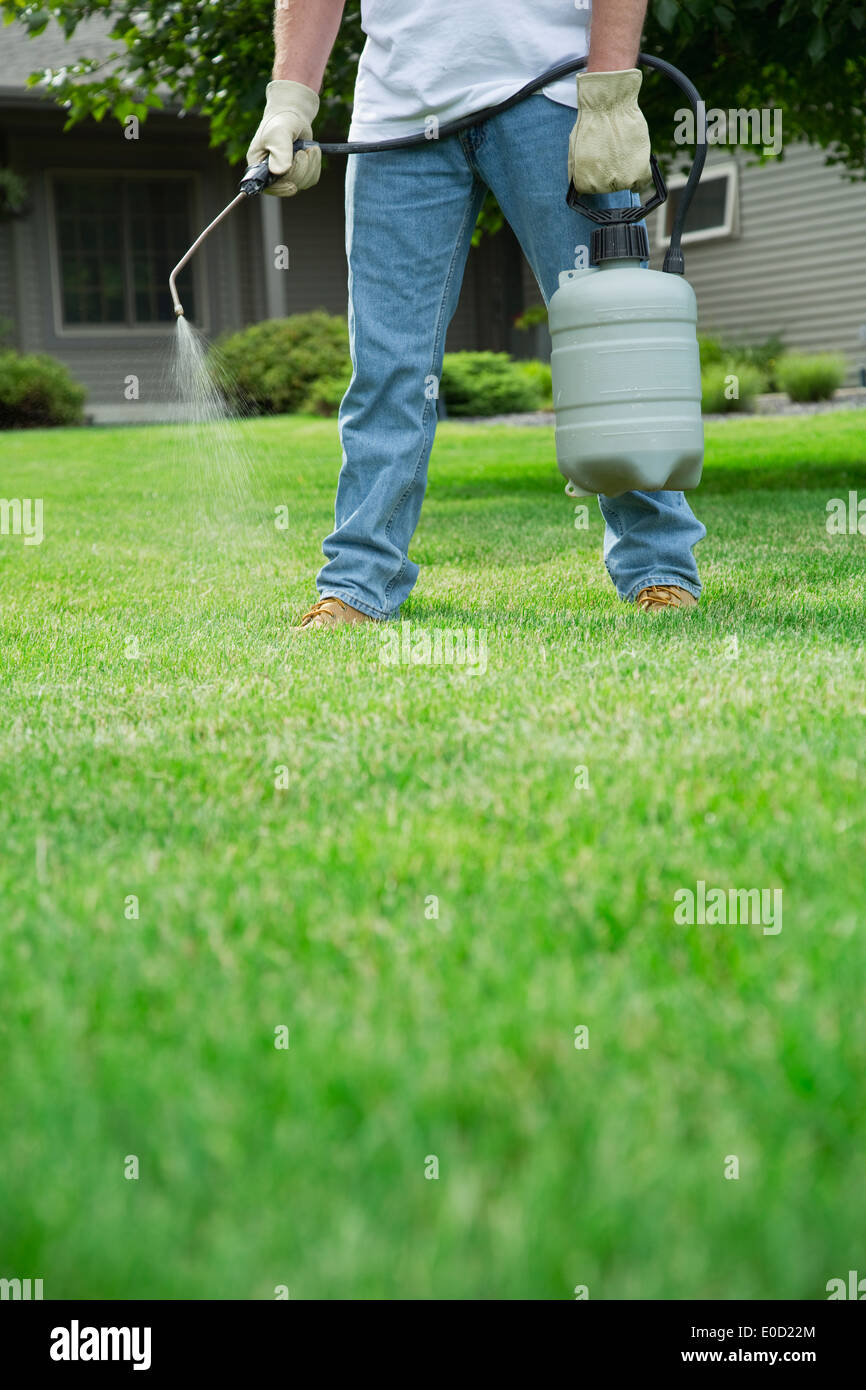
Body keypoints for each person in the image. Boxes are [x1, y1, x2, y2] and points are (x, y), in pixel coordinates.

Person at [246, 0, 706, 627]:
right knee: (386, 364)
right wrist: (290, 100)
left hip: (556, 95)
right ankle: (357, 583)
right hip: (396, 118)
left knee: (613, 338)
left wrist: (610, 91)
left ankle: (658, 566)